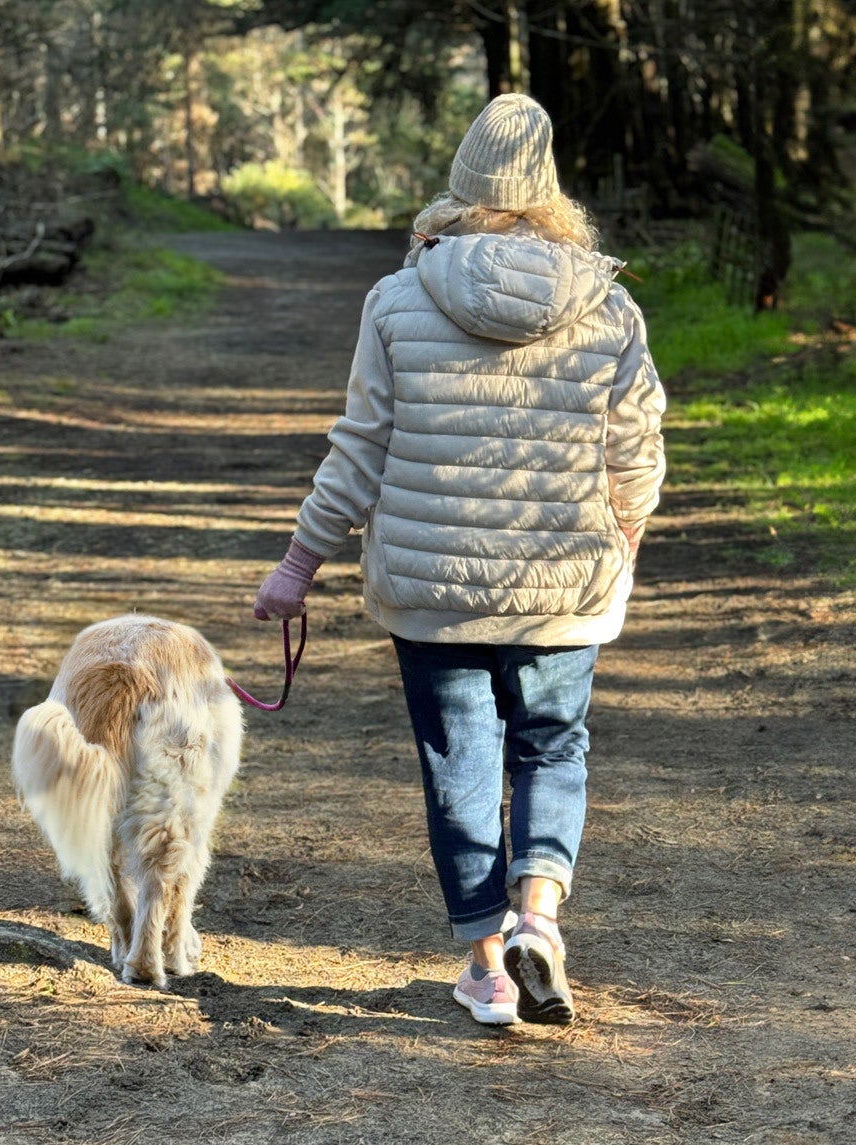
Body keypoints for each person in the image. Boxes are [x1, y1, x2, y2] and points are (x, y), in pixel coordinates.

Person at [251, 94, 667, 1027]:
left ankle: (485, 970)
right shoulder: (610, 304)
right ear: (550, 191)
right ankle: (539, 922)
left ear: (463, 186)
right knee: (552, 746)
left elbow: (360, 447)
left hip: (432, 591)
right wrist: (624, 535)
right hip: (564, 585)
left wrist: (297, 565)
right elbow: (637, 448)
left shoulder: (400, 297)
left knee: (461, 764)